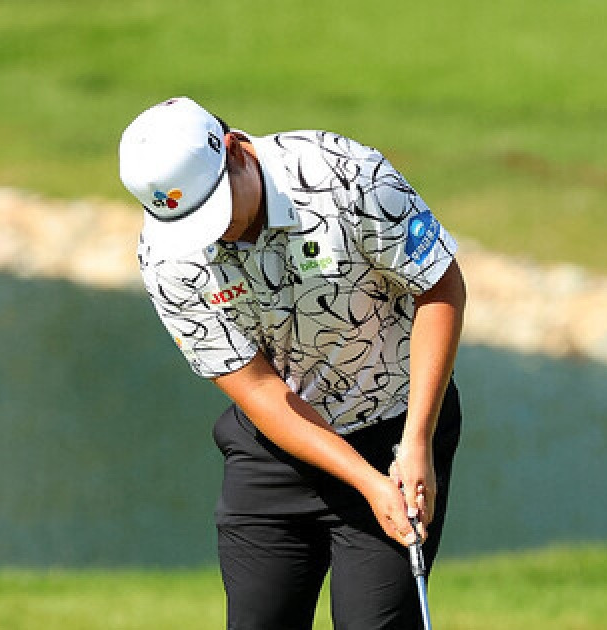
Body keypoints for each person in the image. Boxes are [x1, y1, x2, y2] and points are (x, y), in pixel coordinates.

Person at [118, 96, 466, 629]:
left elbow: (438, 285)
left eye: (215, 212)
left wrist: (416, 442)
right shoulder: (167, 256)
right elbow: (257, 390)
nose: (213, 236)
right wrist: (362, 480)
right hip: (277, 446)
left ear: (234, 152)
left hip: (396, 430)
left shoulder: (344, 176)